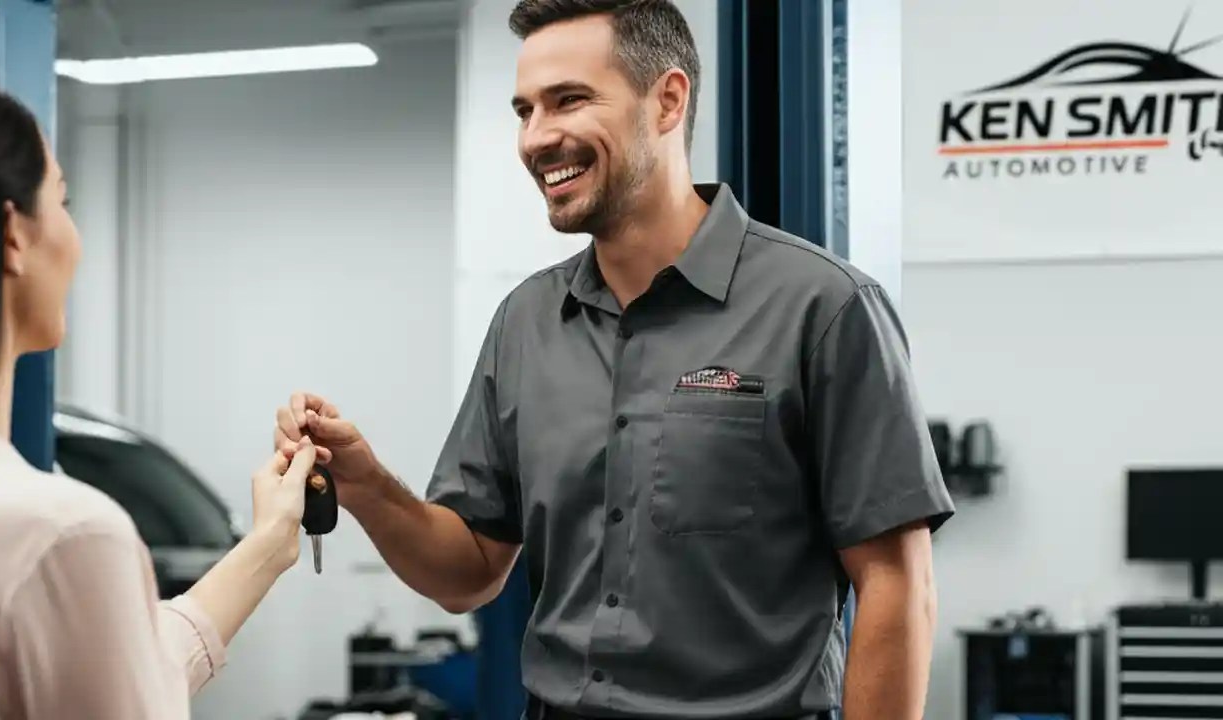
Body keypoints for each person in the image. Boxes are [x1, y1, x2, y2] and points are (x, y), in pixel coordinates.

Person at [276, 1, 956, 718]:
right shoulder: (526, 324)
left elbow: (897, 587)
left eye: (568, 101)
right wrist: (367, 486)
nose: (537, 138)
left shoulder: (823, 310)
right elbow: (470, 572)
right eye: (524, 111)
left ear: (667, 100)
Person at [0, 72, 319, 719]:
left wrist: (268, 544)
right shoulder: (58, 535)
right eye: (62, 200)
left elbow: (115, 671)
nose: (73, 234)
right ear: (14, 235)